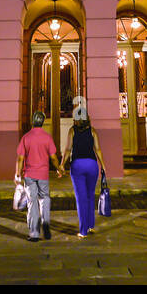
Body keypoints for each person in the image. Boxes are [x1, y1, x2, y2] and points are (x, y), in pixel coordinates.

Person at [15, 111, 64, 242]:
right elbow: (53, 157)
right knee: (45, 198)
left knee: (32, 202)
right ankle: (46, 222)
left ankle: (34, 233)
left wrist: (17, 174)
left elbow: (20, 158)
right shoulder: (47, 137)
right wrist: (59, 169)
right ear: (42, 122)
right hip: (43, 175)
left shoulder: (26, 137)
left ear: (32, 121)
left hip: (30, 175)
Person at [61, 100, 106, 238]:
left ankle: (83, 231)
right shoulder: (92, 131)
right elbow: (97, 149)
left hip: (77, 166)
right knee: (90, 195)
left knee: (81, 198)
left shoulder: (72, 131)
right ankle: (91, 225)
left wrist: (62, 164)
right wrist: (103, 165)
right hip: (92, 165)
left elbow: (68, 149)